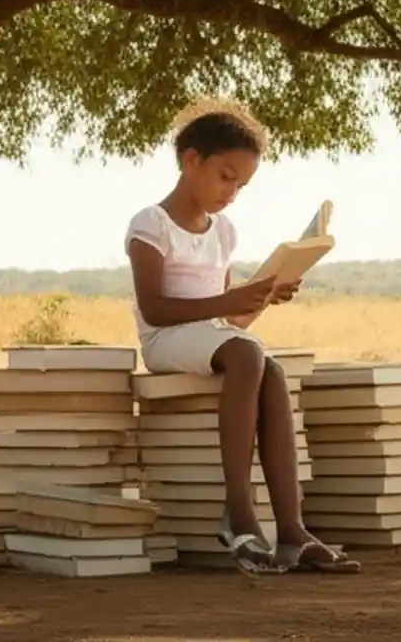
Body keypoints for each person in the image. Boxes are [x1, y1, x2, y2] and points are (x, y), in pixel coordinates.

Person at [123, 97, 361, 576]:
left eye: (242, 184)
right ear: (192, 160)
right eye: (226, 176)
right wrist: (227, 305)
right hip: (164, 341)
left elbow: (228, 328)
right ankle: (238, 511)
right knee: (251, 357)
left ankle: (292, 530)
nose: (232, 191)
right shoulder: (151, 223)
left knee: (267, 367)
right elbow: (155, 309)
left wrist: (262, 297)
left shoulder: (224, 231)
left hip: (210, 338)